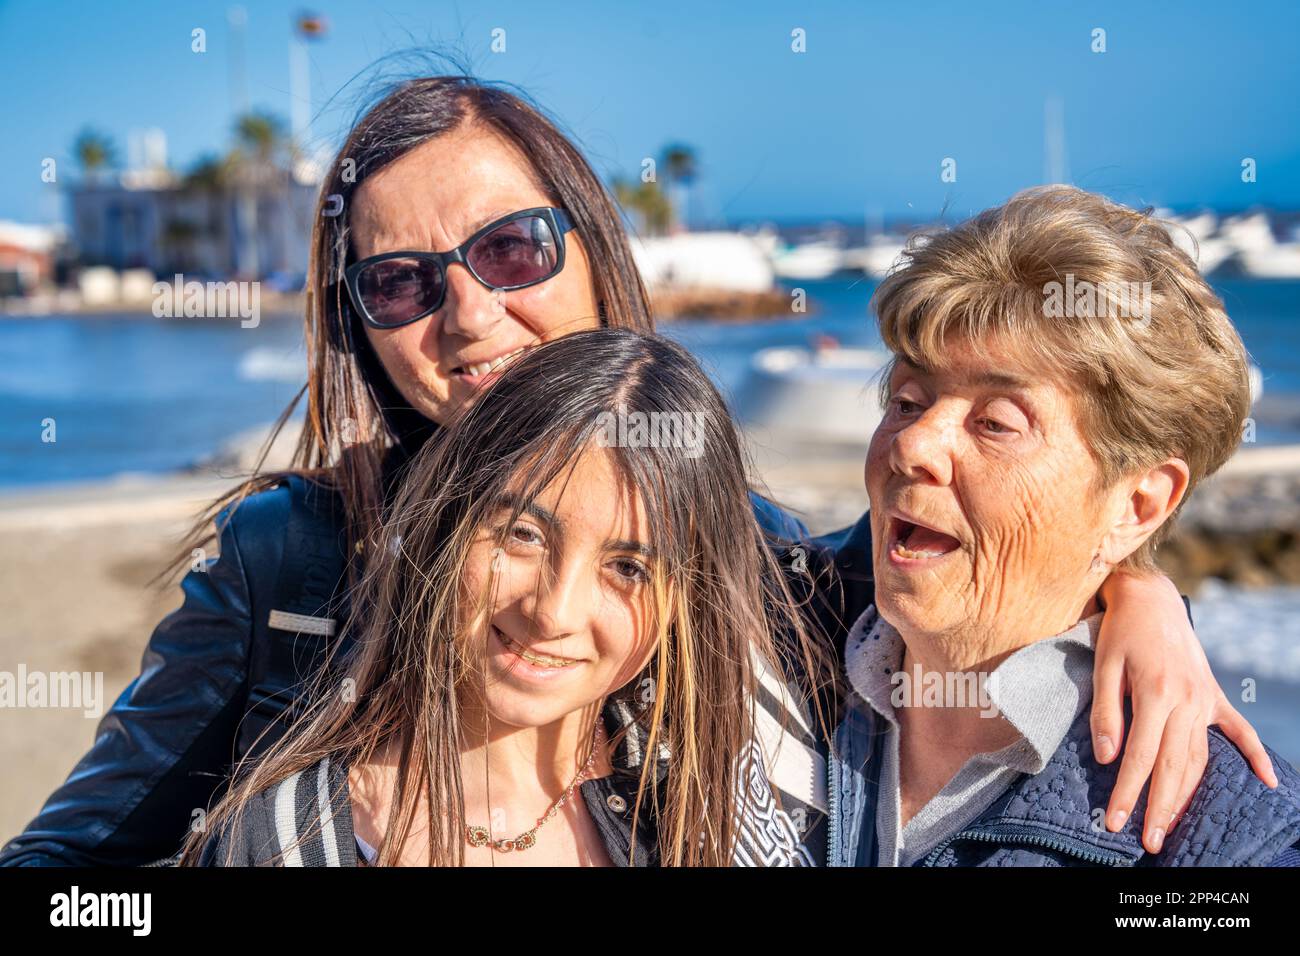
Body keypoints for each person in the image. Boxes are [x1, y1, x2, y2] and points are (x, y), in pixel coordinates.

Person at [0, 74, 1264, 867]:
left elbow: (966, 568)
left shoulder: (754, 559)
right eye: (397, 281)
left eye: (508, 248)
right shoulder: (290, 558)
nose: (467, 315)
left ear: (595, 250)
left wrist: (1134, 588)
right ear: (363, 330)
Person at [186, 330, 835, 866]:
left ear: (685, 601)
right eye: (523, 534)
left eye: (629, 568)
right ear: (448, 527)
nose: (553, 611)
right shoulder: (281, 843)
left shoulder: (718, 815)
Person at [825, 185, 1299, 867]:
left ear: (1138, 505)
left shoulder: (1237, 850)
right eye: (906, 400)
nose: (912, 445)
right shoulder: (762, 633)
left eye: (995, 422)